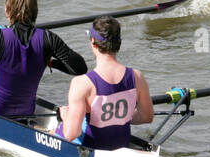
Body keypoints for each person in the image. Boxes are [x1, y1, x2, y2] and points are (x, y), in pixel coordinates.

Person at [56, 16, 153, 149]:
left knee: (56, 130)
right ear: (120, 43)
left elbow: (71, 134)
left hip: (92, 153)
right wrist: (120, 115)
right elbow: (146, 116)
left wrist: (65, 116)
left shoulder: (82, 83)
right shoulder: (137, 77)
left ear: (93, 42)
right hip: (122, 148)